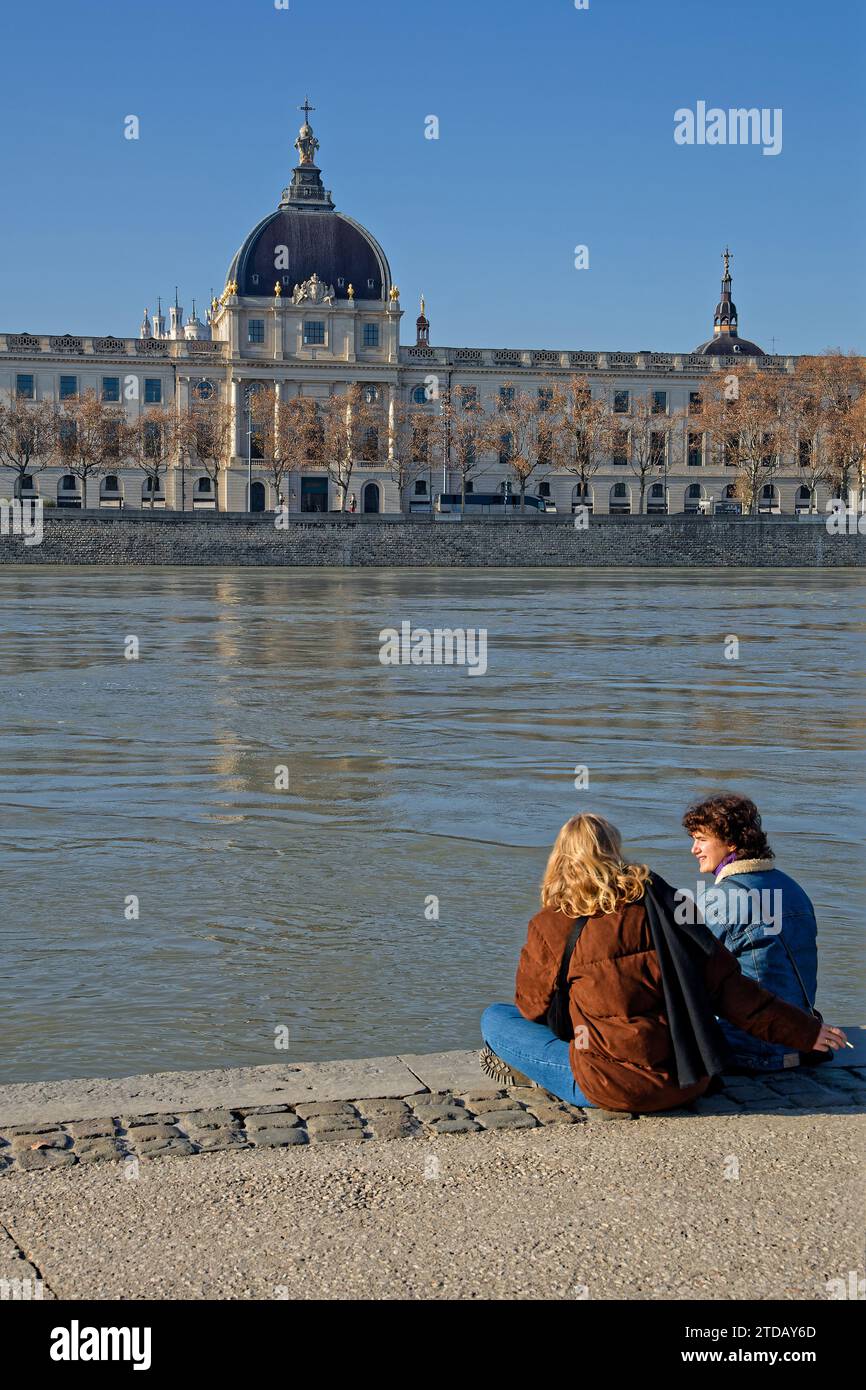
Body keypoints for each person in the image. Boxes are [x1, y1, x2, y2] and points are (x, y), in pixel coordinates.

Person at [480, 814, 846, 1114]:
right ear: (615, 853)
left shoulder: (551, 923)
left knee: (496, 1018)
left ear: (558, 860)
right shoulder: (666, 905)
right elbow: (733, 993)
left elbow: (531, 1008)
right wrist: (805, 1032)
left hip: (615, 1088)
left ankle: (543, 1074)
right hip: (688, 1079)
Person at [683, 792, 824, 1073]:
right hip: (799, 1040)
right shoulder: (792, 887)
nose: (693, 849)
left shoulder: (721, 900)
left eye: (701, 839)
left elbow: (683, 969)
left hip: (752, 1047)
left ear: (732, 842)